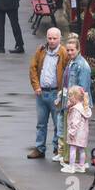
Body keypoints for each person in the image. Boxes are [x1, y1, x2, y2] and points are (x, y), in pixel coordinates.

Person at [27, 27, 69, 160]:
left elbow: (68, 73)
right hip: (42, 93)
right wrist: (36, 86)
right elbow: (33, 68)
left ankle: (58, 149)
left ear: (59, 39)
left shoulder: (63, 53)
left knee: (58, 124)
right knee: (41, 123)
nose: (51, 41)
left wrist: (63, 91)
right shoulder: (41, 50)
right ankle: (40, 148)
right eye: (49, 38)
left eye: (54, 38)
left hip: (56, 93)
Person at [60, 86, 92, 173]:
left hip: (76, 133)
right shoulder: (83, 106)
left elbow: (75, 122)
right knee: (81, 149)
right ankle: (81, 166)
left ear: (75, 97)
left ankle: (72, 166)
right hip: (83, 133)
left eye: (70, 96)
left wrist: (71, 132)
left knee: (73, 149)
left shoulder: (76, 109)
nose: (69, 98)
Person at [65, 35, 93, 104]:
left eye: (72, 50)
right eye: (68, 50)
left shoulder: (83, 66)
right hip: (70, 102)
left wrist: (72, 104)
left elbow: (82, 90)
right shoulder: (71, 62)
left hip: (79, 106)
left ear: (78, 49)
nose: (69, 52)